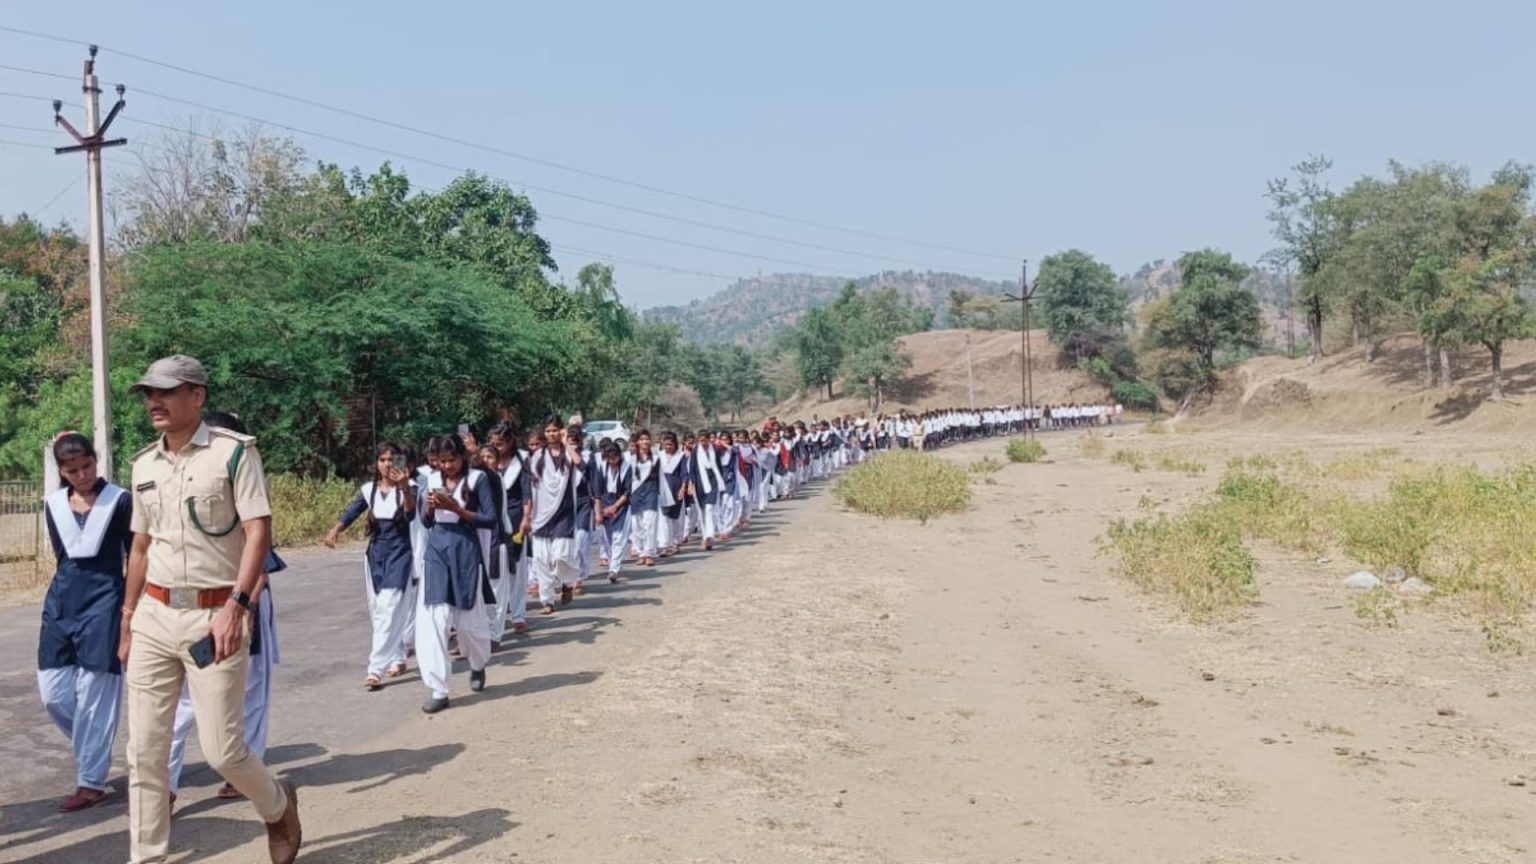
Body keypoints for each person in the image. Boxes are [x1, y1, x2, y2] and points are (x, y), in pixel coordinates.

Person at [120, 355, 301, 864]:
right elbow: (139, 547)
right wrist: (128, 619)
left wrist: (236, 607)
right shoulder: (143, 465)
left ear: (197, 396)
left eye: (166, 392)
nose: (153, 402)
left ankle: (278, 804)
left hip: (213, 616)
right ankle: (148, 856)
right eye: (148, 394)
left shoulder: (233, 455)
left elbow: (257, 533)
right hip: (155, 615)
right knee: (145, 754)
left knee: (224, 751)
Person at [166, 411, 283, 805]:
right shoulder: (167, 476)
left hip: (238, 603)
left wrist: (243, 606)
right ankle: (162, 785)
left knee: (247, 692)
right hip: (183, 608)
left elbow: (261, 552)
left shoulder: (246, 484)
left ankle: (246, 772)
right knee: (180, 702)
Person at [38, 431, 132, 813]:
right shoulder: (54, 504)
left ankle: (91, 781)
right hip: (61, 604)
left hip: (106, 603)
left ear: (97, 459)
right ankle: (94, 751)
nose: (82, 475)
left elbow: (135, 554)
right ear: (61, 471)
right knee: (53, 693)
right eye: (72, 470)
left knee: (97, 694)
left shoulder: (120, 500)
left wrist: (130, 612)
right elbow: (64, 556)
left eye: (87, 466)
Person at [324, 442, 416, 691]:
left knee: (390, 607)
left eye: (392, 459)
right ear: (376, 463)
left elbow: (410, 516)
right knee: (379, 611)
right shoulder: (369, 490)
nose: (387, 464)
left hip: (400, 553)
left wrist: (405, 487)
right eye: (383, 459)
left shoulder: (410, 488)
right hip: (376, 554)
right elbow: (352, 512)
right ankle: (396, 657)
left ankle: (375, 669)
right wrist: (335, 530)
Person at [415, 434, 496, 713]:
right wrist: (430, 507)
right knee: (433, 620)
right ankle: (439, 688)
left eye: (452, 460)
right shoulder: (432, 480)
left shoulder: (478, 480)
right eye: (442, 461)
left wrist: (458, 510)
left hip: (465, 551)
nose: (447, 466)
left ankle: (477, 663)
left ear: (462, 457)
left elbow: (490, 519)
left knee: (468, 622)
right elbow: (426, 521)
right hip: (437, 550)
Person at [521, 416, 581, 615]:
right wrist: (527, 514)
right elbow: (529, 487)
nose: (551, 434)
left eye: (555, 430)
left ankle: (565, 584)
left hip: (563, 512)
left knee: (561, 556)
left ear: (561, 431)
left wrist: (566, 443)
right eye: (548, 431)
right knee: (540, 559)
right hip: (540, 514)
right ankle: (547, 601)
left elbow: (580, 464)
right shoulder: (537, 456)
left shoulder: (568, 453)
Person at [594, 441, 633, 583]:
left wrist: (615, 506)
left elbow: (628, 492)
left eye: (615, 458)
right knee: (608, 537)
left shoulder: (627, 468)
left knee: (619, 537)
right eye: (609, 459)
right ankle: (613, 563)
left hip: (621, 504)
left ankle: (614, 569)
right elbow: (597, 491)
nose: (612, 461)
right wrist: (599, 510)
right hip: (605, 503)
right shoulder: (602, 467)